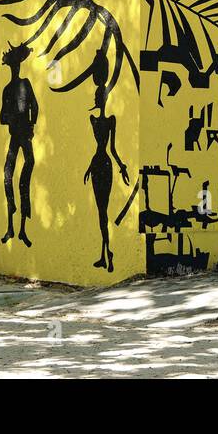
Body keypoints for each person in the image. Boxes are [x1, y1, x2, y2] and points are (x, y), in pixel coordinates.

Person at [83, 52, 129, 273]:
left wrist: (122, 167)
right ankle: (105, 253)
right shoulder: (108, 120)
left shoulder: (96, 121)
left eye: (97, 98)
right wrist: (119, 166)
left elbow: (109, 149)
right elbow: (112, 150)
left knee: (103, 211)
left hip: (101, 165)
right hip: (103, 165)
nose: (96, 100)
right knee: (103, 211)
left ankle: (107, 252)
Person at [0, 43, 38, 247]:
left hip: (24, 136)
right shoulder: (7, 90)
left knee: (27, 169)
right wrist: (12, 118)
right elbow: (1, 117)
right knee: (7, 173)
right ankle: (11, 219)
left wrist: (30, 124)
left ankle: (21, 225)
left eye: (17, 65)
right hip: (15, 135)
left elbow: (35, 106)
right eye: (13, 65)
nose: (16, 68)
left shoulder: (26, 84)